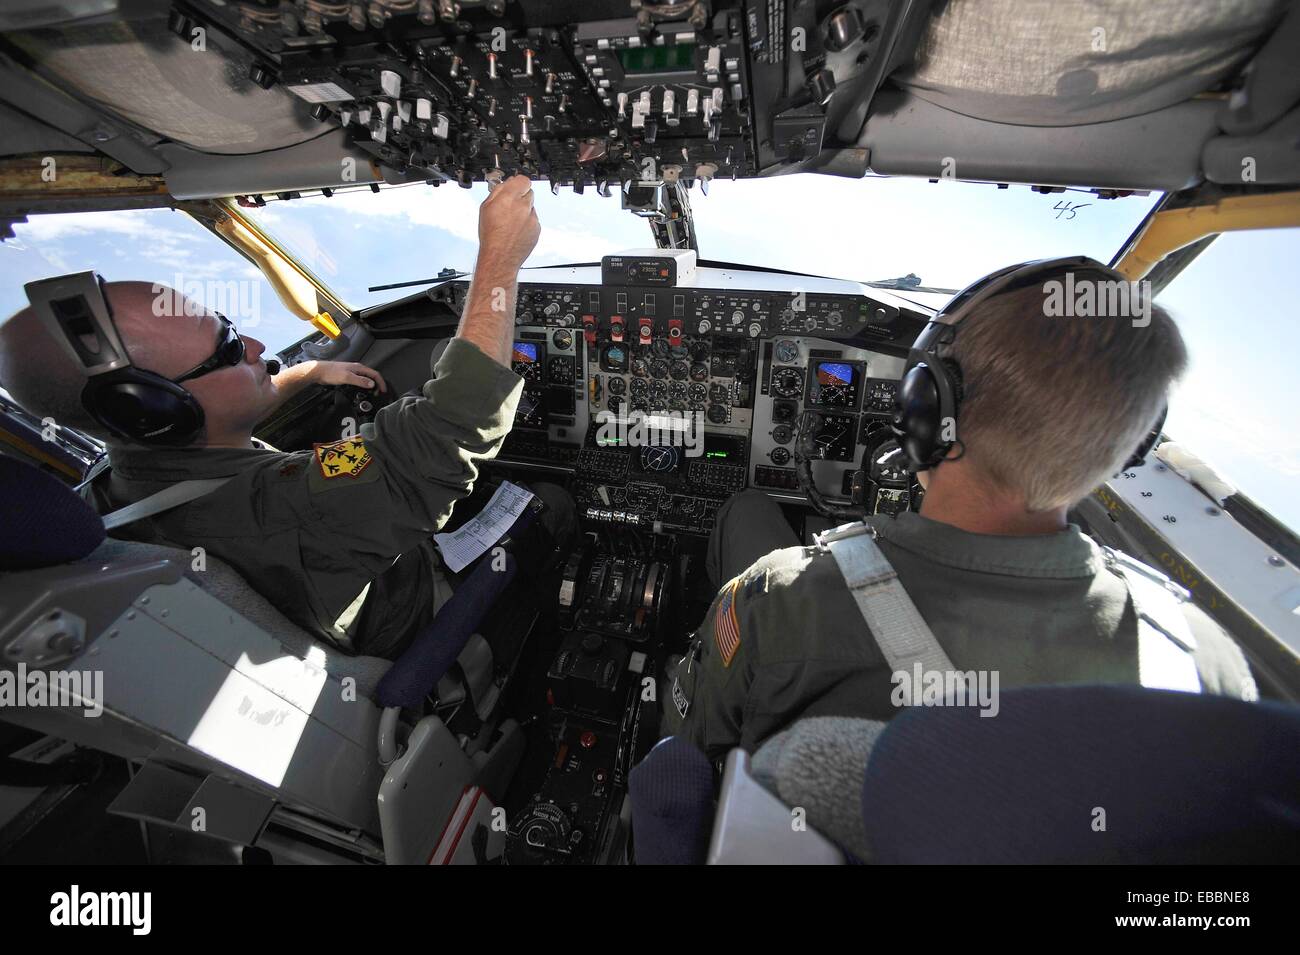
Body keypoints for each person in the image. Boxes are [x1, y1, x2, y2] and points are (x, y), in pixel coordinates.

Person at [663, 259, 1257, 761]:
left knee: (745, 511)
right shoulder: (1200, 659)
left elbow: (695, 750)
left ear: (924, 403)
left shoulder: (780, 597)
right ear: (1122, 451)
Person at [0, 175, 570, 658]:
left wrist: (302, 375)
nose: (253, 343)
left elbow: (222, 414)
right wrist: (500, 258)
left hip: (337, 561)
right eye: (226, 349)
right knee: (551, 503)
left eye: (228, 324)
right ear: (158, 412)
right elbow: (455, 423)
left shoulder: (105, 489)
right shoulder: (286, 505)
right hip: (414, 610)